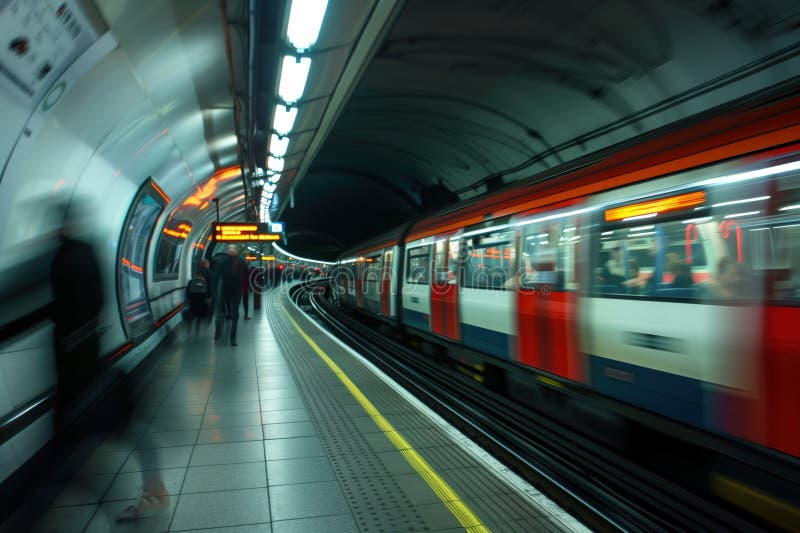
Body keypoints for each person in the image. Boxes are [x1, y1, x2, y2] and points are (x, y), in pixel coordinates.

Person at [214, 245, 248, 346]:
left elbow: (245, 277)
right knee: (219, 312)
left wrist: (245, 289)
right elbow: (216, 275)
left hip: (236, 291)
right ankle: (218, 332)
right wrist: (215, 290)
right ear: (228, 251)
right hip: (224, 290)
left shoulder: (241, 263)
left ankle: (233, 339)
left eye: (234, 249)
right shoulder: (223, 262)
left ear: (236, 251)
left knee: (235, 315)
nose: (232, 251)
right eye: (230, 249)